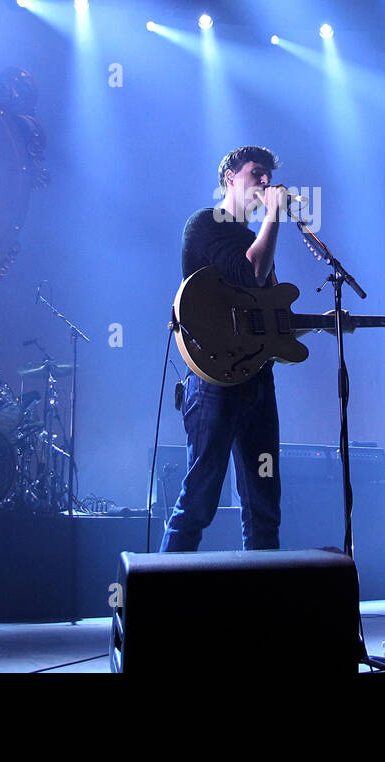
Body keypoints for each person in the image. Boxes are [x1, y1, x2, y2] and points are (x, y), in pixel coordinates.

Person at [161, 145, 295, 552]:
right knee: (199, 502)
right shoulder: (206, 225)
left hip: (257, 381)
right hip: (214, 380)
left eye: (269, 175)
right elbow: (251, 274)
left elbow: (262, 323)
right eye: (257, 173)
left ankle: (261, 611)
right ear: (229, 179)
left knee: (263, 508)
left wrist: (316, 326)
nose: (266, 181)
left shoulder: (253, 239)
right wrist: (274, 214)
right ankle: (154, 606)